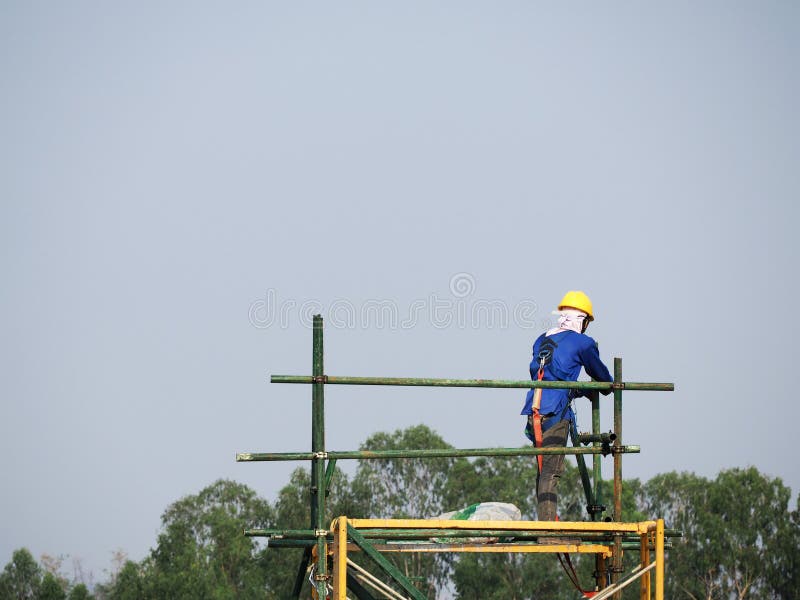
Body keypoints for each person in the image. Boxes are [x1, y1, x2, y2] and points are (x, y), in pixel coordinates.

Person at [521, 291, 612, 522]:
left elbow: (554, 377)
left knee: (543, 469)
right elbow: (603, 379)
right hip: (555, 411)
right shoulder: (584, 343)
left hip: (534, 409)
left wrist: (579, 390)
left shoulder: (541, 340)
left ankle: (545, 522)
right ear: (582, 320)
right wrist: (606, 386)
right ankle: (547, 530)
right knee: (551, 472)